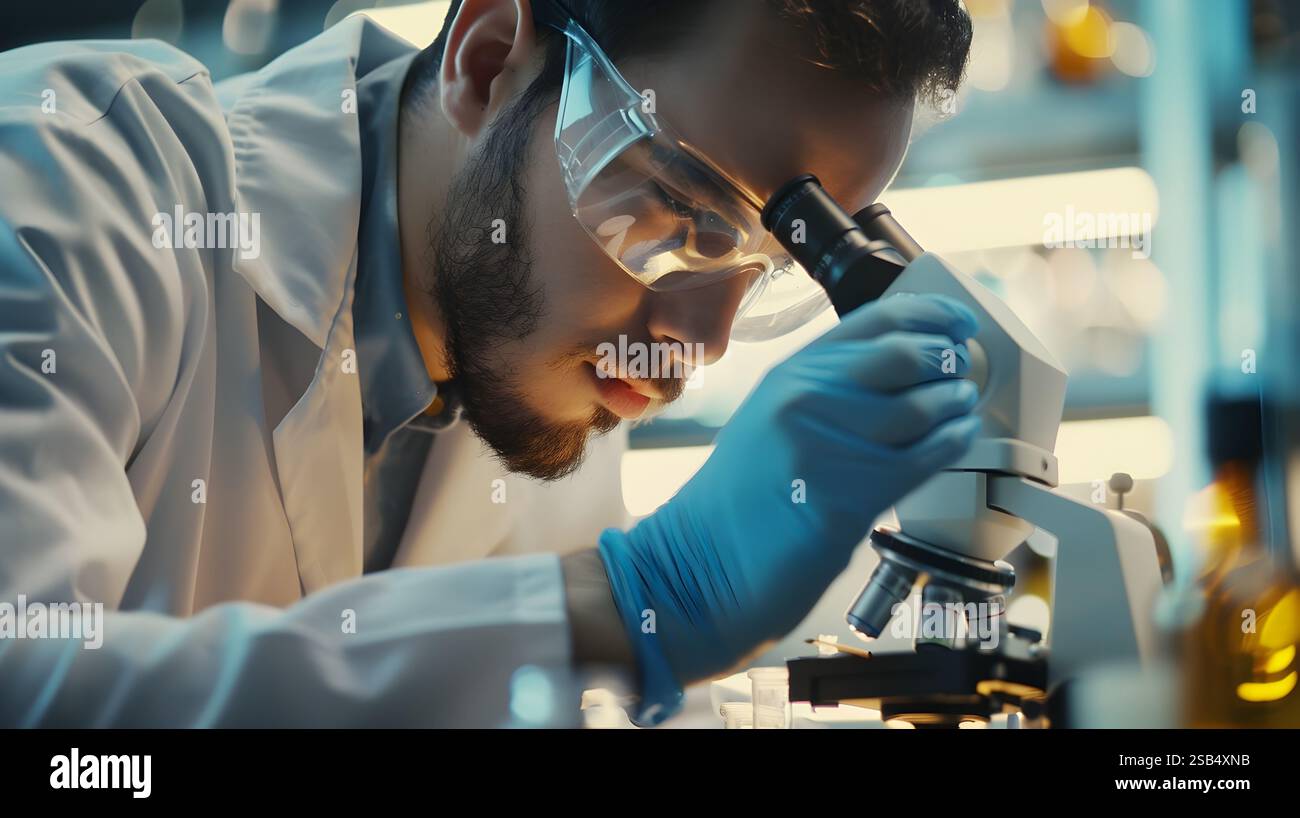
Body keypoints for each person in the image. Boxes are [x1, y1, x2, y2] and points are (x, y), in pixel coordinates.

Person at [0, 0, 978, 726]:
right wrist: (621, 599)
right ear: (488, 55)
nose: (701, 341)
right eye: (681, 219)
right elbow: (32, 690)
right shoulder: (69, 181)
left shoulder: (537, 379)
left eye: (768, 270)